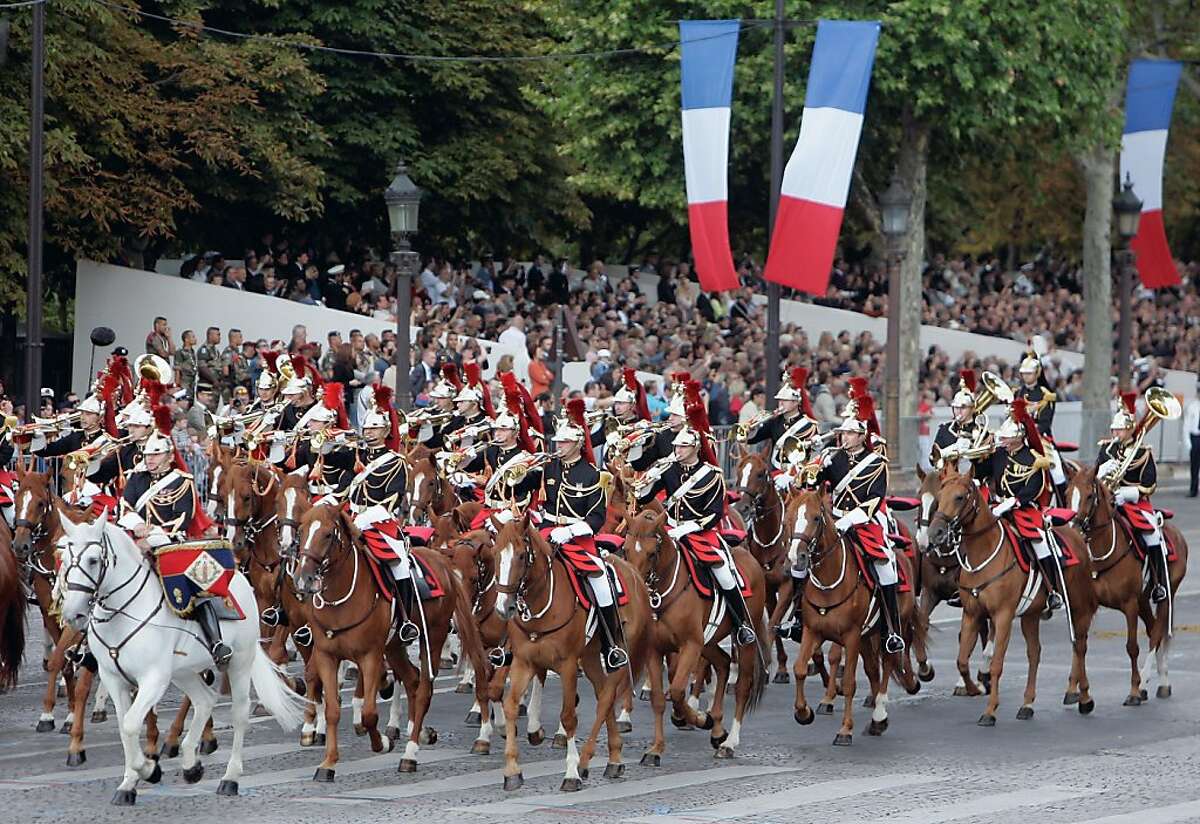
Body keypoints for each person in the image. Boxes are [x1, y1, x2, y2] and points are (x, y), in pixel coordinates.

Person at [634, 381, 756, 647]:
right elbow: (643, 498)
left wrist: (688, 528)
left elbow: (714, 513)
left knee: (724, 570)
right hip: (670, 530)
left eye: (682, 447)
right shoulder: (669, 469)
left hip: (700, 533)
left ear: (695, 448)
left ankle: (741, 623)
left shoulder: (712, 476)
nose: (676, 450)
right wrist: (644, 486)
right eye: (675, 447)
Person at [117, 407, 230, 670]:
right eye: (147, 455)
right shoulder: (137, 479)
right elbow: (126, 507)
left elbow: (183, 517)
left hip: (170, 541)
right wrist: (136, 528)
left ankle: (215, 643)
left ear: (169, 456)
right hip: (136, 537)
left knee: (195, 586)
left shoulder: (182, 481)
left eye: (156, 454)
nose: (150, 459)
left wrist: (153, 536)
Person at [808, 387, 906, 653]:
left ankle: (891, 629)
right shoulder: (834, 458)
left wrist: (849, 520)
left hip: (861, 522)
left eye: (850, 433)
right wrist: (814, 463)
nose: (844, 437)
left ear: (862, 436)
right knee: (801, 557)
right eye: (843, 433)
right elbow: (810, 484)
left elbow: (875, 499)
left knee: (885, 567)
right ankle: (797, 617)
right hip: (833, 519)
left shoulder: (876, 463)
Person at [540, 398, 626, 670]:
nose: (558, 446)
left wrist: (569, 532)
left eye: (564, 443)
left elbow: (597, 518)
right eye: (557, 442)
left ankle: (611, 644)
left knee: (600, 578)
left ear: (577, 444)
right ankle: (509, 640)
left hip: (577, 538)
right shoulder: (548, 467)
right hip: (547, 533)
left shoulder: (593, 475)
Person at [346, 385, 419, 642]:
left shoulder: (396, 462)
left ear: (386, 431)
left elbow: (390, 502)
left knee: (399, 562)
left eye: (375, 428)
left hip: (378, 523)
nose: (369, 432)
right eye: (366, 428)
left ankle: (405, 620)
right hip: (350, 517)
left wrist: (360, 520)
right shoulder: (354, 454)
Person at [990, 399, 1064, 615]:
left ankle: (1052, 590)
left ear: (1017, 438)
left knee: (1040, 542)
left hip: (1023, 508)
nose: (1002, 440)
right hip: (997, 504)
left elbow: (1034, 488)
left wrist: (1011, 503)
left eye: (1006, 437)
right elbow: (983, 471)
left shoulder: (1034, 459)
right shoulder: (999, 455)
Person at [1098, 392, 1169, 603]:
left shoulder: (1143, 454)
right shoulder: (1106, 450)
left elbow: (1150, 484)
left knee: (1152, 534)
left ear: (1129, 429)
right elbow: (1095, 478)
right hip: (1107, 500)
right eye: (1114, 429)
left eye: (1119, 429)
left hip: (1134, 503)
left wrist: (1128, 493)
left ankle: (1158, 583)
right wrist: (1101, 471)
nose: (1115, 433)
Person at [739, 367, 819, 473]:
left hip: (798, 472)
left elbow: (812, 454)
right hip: (776, 469)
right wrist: (748, 430)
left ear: (796, 403)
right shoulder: (774, 422)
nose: (781, 403)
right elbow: (754, 439)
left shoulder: (808, 425)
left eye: (785, 400)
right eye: (779, 400)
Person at [1014, 352, 1068, 506]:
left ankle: (1062, 502)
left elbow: (1045, 422)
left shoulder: (1046, 395)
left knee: (1056, 471)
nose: (1026, 377)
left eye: (1029, 374)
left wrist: (1031, 430)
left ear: (1037, 373)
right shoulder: (1018, 393)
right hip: (1019, 436)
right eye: (1023, 374)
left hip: (1041, 437)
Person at [930, 370, 994, 483]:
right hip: (949, 482)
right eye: (956, 408)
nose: (958, 411)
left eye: (963, 408)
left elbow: (988, 467)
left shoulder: (982, 433)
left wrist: (973, 455)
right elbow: (933, 459)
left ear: (971, 409)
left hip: (974, 482)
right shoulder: (945, 430)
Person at [1185, 385, 1200, 498]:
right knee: (1194, 466)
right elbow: (1186, 426)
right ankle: (1193, 489)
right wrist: (1188, 443)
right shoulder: (1193, 407)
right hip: (1195, 437)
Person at [174, 330, 198, 399]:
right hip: (183, 383)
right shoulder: (180, 352)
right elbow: (177, 369)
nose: (195, 339)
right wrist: (177, 385)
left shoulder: (192, 352)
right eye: (193, 337)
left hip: (192, 383)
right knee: (183, 401)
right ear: (186, 339)